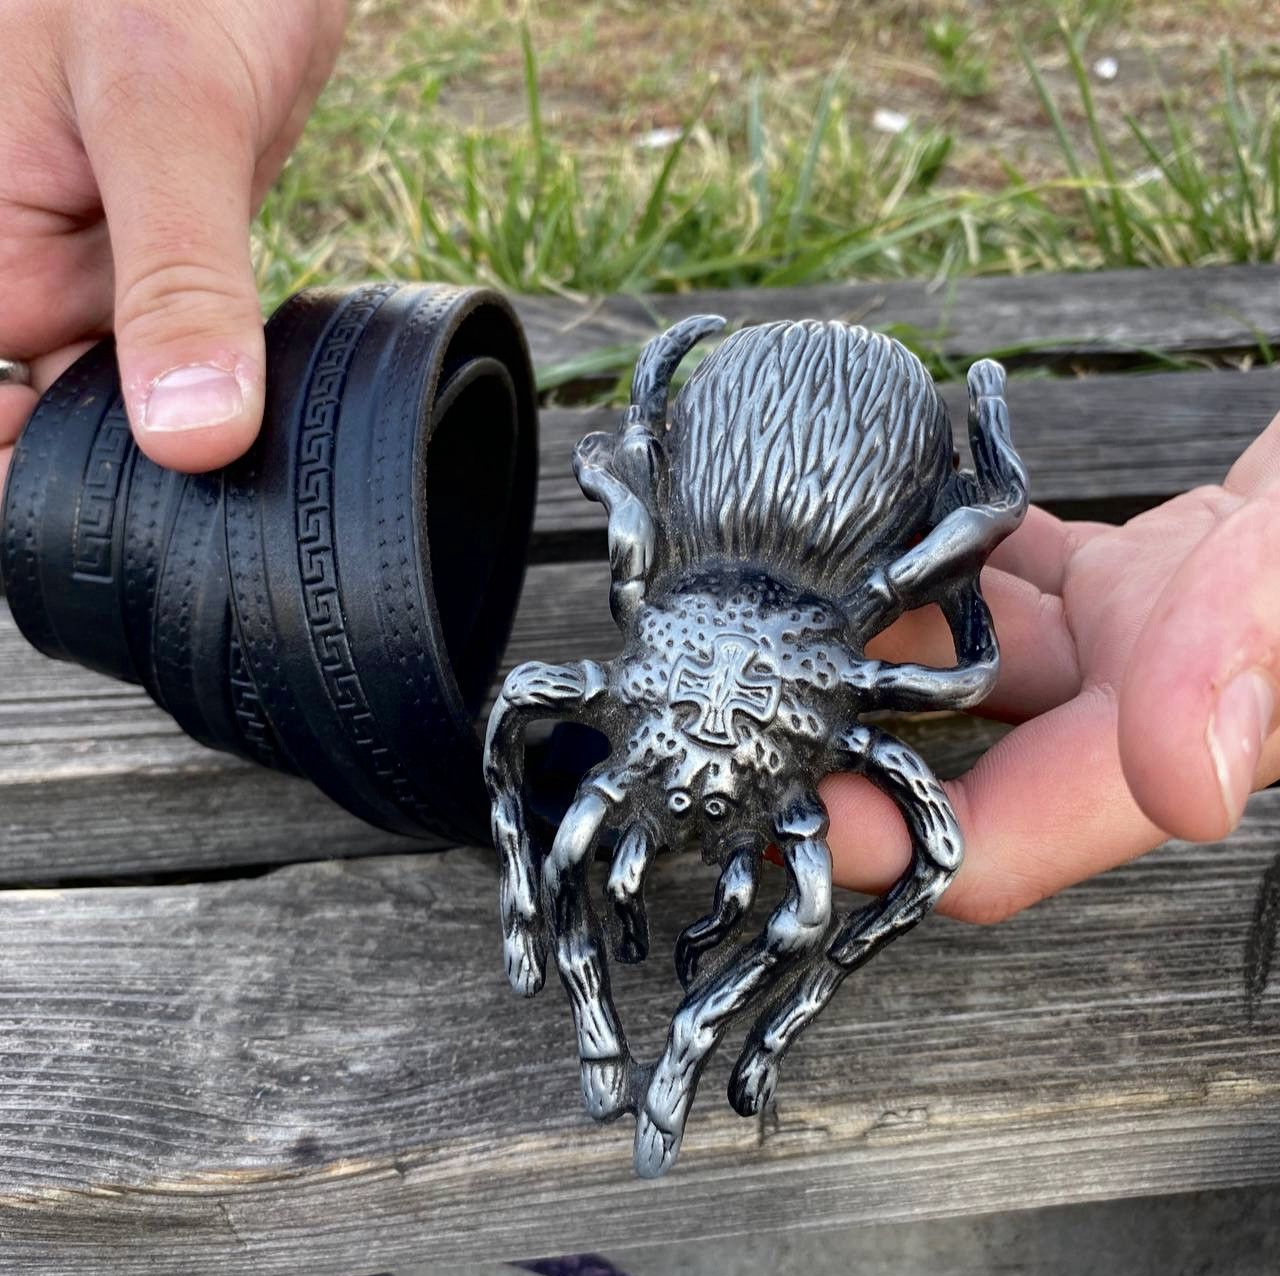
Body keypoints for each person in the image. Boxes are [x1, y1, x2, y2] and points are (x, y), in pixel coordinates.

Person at [2, 0, 1277, 925]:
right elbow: (950, 645)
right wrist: (949, 529)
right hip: (793, 503)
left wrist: (953, 517)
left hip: (767, 493)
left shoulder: (662, 587)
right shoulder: (691, 599)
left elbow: (954, 648)